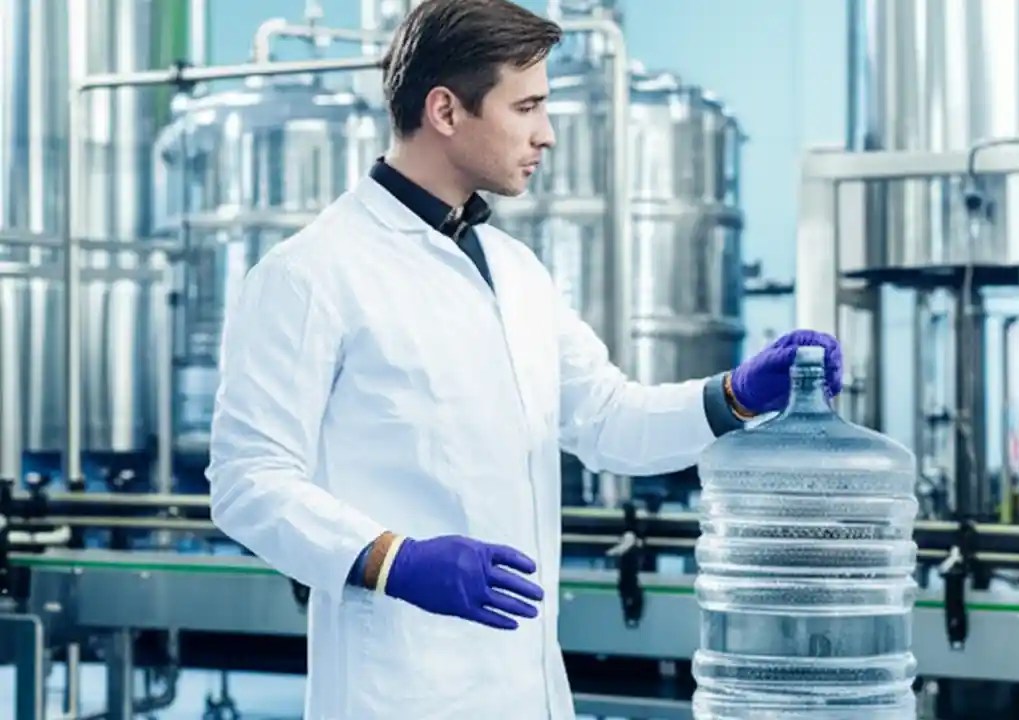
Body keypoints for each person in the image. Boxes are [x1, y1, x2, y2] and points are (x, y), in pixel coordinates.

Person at [205, 0, 843, 717]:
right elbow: (246, 480)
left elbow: (605, 420)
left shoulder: (514, 270)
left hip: (527, 686)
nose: (548, 134)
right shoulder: (313, 273)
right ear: (446, 111)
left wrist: (734, 396)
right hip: (400, 685)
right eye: (528, 106)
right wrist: (391, 558)